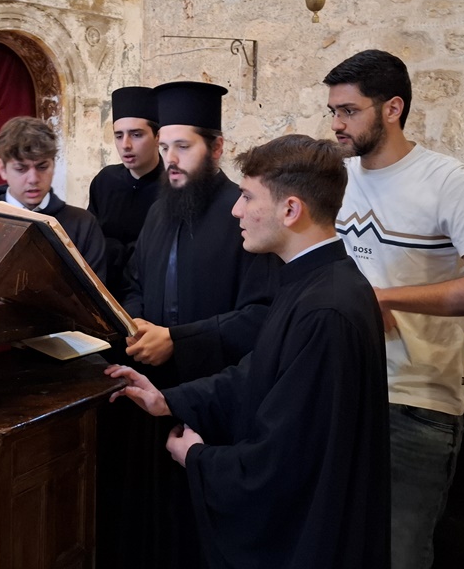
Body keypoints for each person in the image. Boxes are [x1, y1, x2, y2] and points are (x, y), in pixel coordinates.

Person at [106, 134, 390, 569]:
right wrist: (170, 400)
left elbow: (284, 461)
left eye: (246, 197)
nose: (236, 210)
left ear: (290, 210)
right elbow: (256, 374)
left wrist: (198, 458)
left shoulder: (327, 309)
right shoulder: (311, 283)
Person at [323, 49, 464, 569]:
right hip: (339, 381)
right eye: (333, 112)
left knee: (399, 549)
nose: (337, 124)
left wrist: (380, 298)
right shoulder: (336, 179)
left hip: (413, 395)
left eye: (349, 111)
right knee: (334, 537)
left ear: (392, 108)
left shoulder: (448, 180)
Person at [101, 81, 277, 569]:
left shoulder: (244, 216)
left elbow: (262, 315)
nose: (170, 159)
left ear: (216, 148)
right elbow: (136, 279)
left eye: (184, 146)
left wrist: (176, 342)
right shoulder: (160, 211)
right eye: (164, 147)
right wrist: (136, 321)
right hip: (155, 392)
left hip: (219, 404)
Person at [0, 115, 106, 280]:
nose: (33, 179)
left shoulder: (83, 224)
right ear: (2, 169)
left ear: (54, 164)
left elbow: (94, 297)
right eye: (21, 169)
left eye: (42, 167)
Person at [87, 86, 163, 299]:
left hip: (148, 295)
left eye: (136, 135)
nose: (125, 145)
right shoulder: (105, 180)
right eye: (118, 136)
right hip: (104, 290)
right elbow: (91, 239)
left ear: (158, 137)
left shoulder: (173, 187)